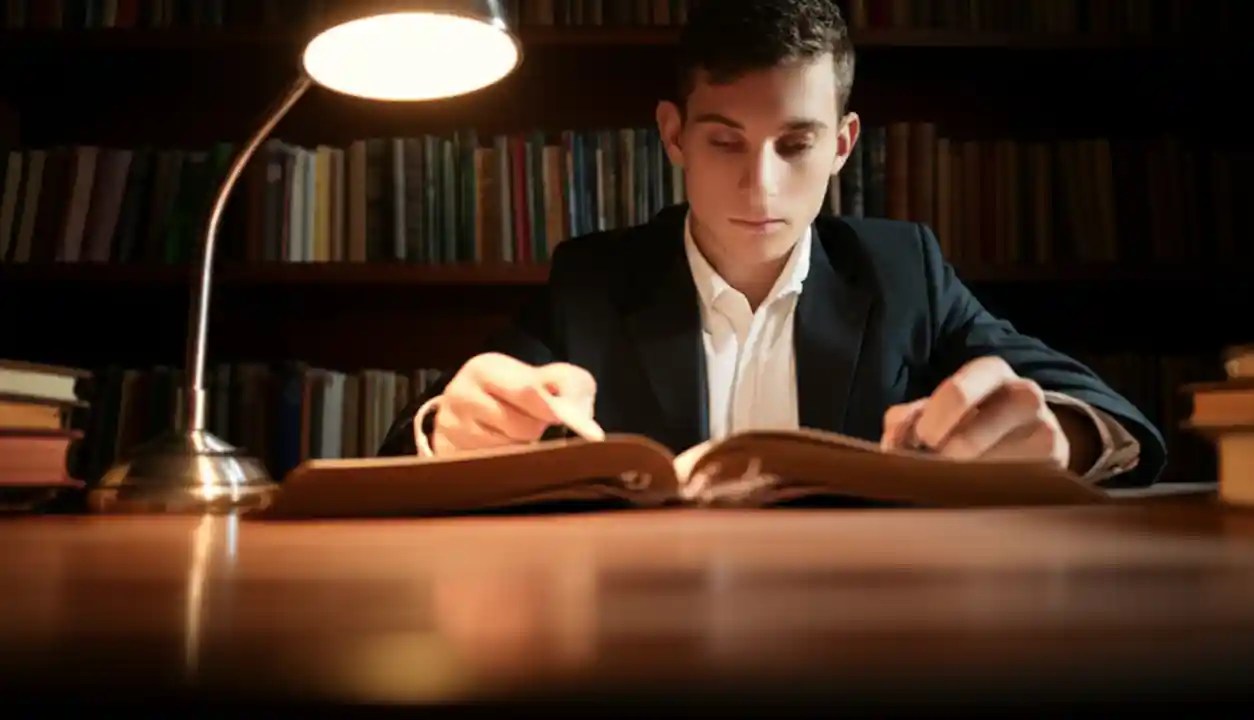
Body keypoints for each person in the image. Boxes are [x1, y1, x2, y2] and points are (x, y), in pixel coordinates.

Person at [378, 0, 1165, 487]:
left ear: (844, 144)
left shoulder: (902, 272)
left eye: (796, 145)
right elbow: (405, 445)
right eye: (725, 142)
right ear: (674, 134)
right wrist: (449, 427)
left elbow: (1116, 418)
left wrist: (1062, 435)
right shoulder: (595, 278)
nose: (761, 187)